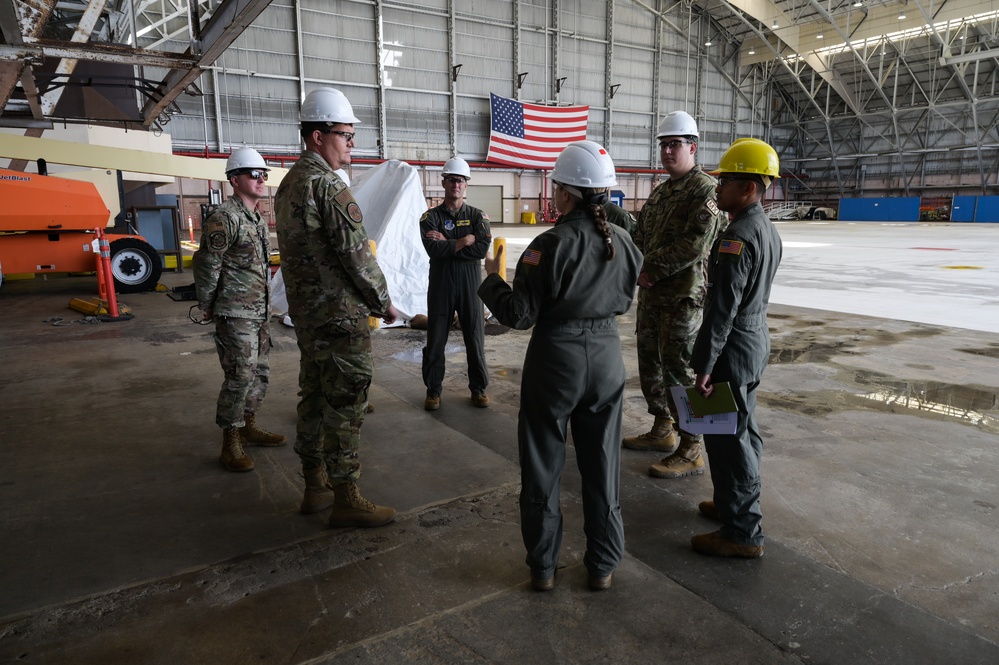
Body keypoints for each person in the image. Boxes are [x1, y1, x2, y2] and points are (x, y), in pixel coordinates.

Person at [478, 141, 642, 592]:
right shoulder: (625, 242)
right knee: (603, 463)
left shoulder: (548, 245)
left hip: (557, 361)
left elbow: (520, 316)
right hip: (608, 357)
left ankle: (544, 567)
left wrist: (491, 278)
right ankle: (603, 566)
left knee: (543, 463)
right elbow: (626, 301)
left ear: (565, 194)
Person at [275, 87, 400, 528]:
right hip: (341, 319)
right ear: (316, 137)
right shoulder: (328, 187)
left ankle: (314, 485)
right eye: (344, 134)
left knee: (312, 396)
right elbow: (358, 257)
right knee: (346, 405)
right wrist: (384, 303)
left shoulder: (289, 184)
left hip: (309, 318)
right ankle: (345, 497)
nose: (351, 143)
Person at [690, 138, 783, 558]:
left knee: (730, 438)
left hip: (732, 346)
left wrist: (704, 364)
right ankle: (732, 504)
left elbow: (721, 311)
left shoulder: (736, 239)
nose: (717, 188)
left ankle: (743, 531)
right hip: (755, 340)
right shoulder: (766, 228)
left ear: (749, 188)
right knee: (742, 429)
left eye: (726, 181)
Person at [624, 110, 729, 481]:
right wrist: (634, 262)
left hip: (683, 300)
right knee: (650, 366)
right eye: (664, 145)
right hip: (653, 296)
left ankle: (692, 448)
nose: (668, 151)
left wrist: (648, 269)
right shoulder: (663, 192)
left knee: (682, 372)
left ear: (693, 147)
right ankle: (662, 429)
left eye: (675, 144)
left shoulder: (705, 191)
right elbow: (641, 236)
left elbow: (694, 246)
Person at [193, 147, 286, 473]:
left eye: (263, 174)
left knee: (260, 372)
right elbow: (208, 264)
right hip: (234, 313)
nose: (260, 180)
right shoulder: (224, 218)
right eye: (253, 174)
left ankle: (248, 424)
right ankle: (229, 440)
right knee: (239, 375)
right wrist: (206, 304)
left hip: (259, 312)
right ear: (234, 179)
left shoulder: (257, 218)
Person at [420, 157, 492, 411]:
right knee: (436, 338)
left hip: (471, 285)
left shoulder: (477, 216)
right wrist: (463, 241)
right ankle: (433, 391)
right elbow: (433, 249)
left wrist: (448, 242)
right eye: (451, 180)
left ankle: (479, 389)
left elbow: (481, 249)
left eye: (460, 180)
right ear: (444, 183)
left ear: (466, 185)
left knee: (475, 337)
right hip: (441, 285)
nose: (456, 185)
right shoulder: (429, 217)